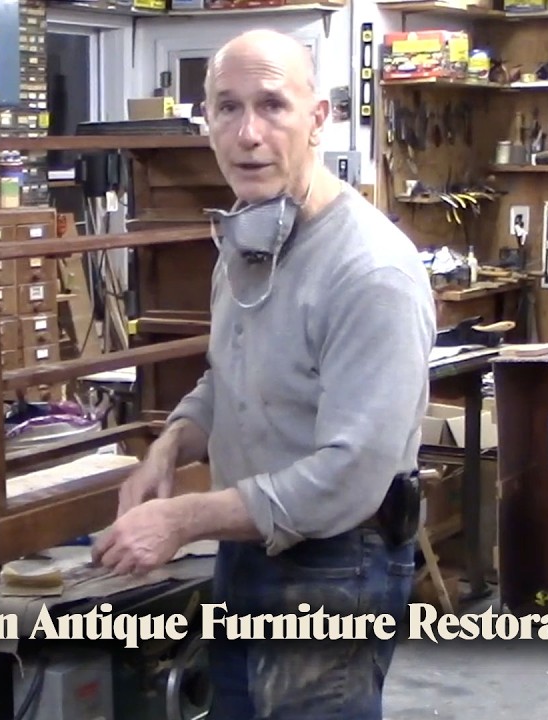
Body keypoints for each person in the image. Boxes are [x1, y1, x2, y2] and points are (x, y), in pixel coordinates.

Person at [91, 28, 436, 720]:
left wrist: (183, 517)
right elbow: (233, 378)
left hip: (337, 565)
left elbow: (349, 474)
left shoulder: (370, 271)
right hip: (249, 545)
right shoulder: (250, 239)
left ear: (319, 118)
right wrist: (169, 447)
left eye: (272, 106)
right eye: (227, 107)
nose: (247, 133)